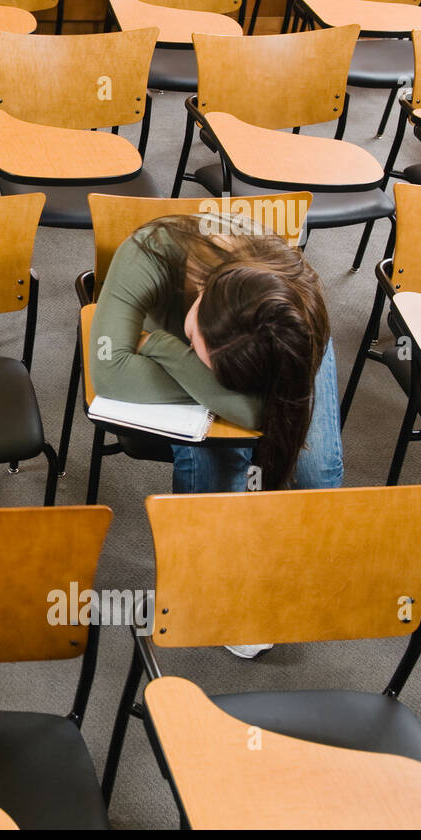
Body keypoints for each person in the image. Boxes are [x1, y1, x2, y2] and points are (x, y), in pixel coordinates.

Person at [90, 214, 344, 658]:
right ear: (202, 295)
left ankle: (268, 566)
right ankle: (207, 579)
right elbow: (109, 371)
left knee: (318, 475)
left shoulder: (297, 296)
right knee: (215, 458)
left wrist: (156, 349)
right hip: (199, 344)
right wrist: (175, 347)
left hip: (278, 345)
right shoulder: (149, 252)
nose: (212, 377)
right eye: (208, 363)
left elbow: (268, 406)